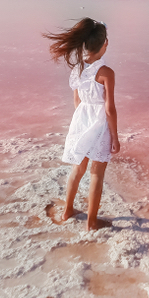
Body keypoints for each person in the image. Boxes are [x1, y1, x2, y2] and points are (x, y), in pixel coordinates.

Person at [43, 18, 120, 230]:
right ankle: (92, 222)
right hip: (99, 124)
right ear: (105, 44)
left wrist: (80, 122)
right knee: (97, 173)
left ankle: (68, 210)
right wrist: (115, 137)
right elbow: (109, 109)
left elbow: (77, 101)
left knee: (78, 168)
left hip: (81, 119)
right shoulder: (106, 73)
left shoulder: (77, 69)